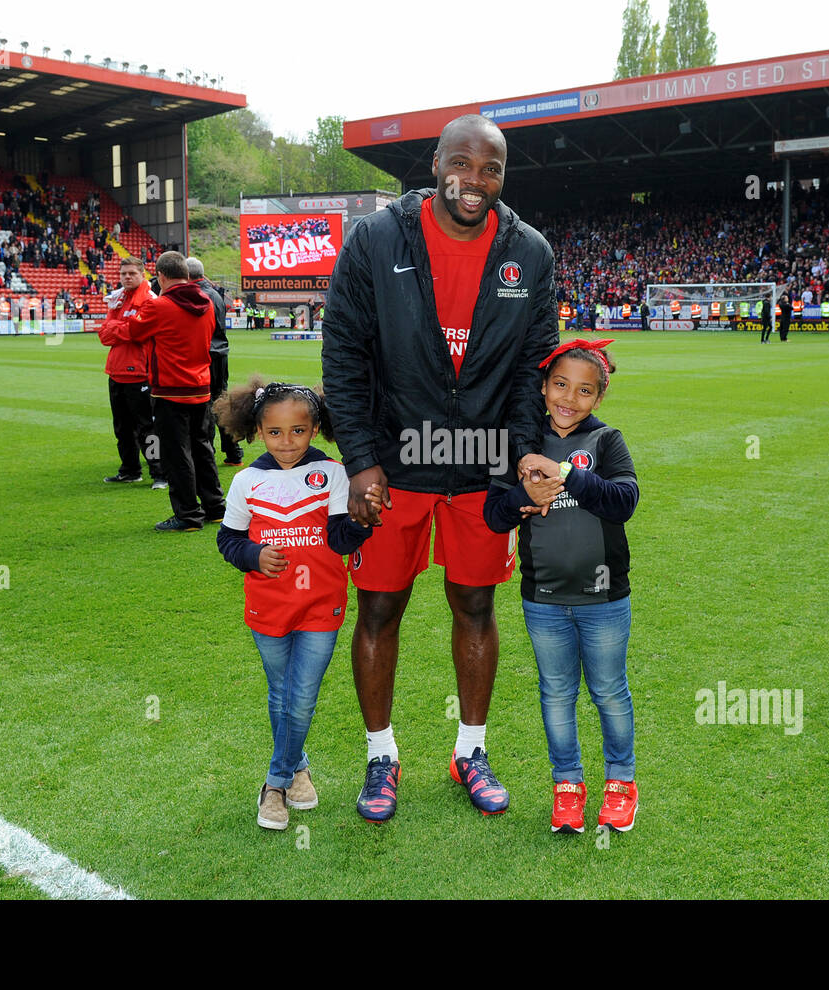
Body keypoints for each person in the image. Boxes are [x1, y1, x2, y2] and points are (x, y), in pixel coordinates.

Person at [321, 113, 558, 822]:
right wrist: (360, 460)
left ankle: (471, 748)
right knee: (381, 608)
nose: (475, 182)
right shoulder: (376, 237)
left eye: (491, 169)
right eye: (463, 164)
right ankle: (380, 755)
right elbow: (345, 355)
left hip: (482, 469)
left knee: (477, 605)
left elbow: (532, 368)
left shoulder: (531, 253)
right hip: (396, 464)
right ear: (435, 164)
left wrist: (519, 460)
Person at [483, 339, 640, 833]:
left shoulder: (606, 441)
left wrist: (568, 474)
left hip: (604, 597)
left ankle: (621, 782)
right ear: (544, 386)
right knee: (555, 695)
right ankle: (567, 785)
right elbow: (494, 514)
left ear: (599, 397)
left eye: (585, 391)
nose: (569, 398)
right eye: (560, 385)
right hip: (544, 599)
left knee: (609, 692)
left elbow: (623, 501)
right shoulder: (518, 444)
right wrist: (524, 496)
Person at [213, 379, 373, 831]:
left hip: (322, 605)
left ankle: (275, 783)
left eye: (299, 431)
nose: (287, 442)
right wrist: (252, 556)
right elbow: (228, 539)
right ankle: (298, 766)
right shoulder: (248, 480)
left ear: (316, 428)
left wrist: (364, 522)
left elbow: (341, 540)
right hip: (268, 608)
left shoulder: (334, 474)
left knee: (300, 699)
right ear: (257, 432)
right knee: (281, 695)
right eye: (275, 432)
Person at [124, 251, 225, 532]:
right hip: (201, 386)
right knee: (202, 447)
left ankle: (188, 515)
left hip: (170, 390)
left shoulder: (161, 306)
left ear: (161, 276)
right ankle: (215, 507)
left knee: (176, 453)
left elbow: (134, 331)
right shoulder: (206, 300)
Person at [97, 258, 166, 488]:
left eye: (132, 273)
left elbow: (137, 332)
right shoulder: (118, 298)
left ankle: (159, 473)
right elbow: (104, 336)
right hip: (116, 371)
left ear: (142, 274)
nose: (127, 277)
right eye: (123, 273)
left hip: (139, 373)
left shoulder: (149, 300)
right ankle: (129, 470)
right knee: (122, 427)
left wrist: (118, 328)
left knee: (147, 427)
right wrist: (122, 327)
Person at [186, 256, 243, 468]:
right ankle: (233, 451)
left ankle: (206, 452)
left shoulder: (198, 295)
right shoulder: (215, 293)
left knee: (206, 406)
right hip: (220, 354)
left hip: (206, 355)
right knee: (221, 403)